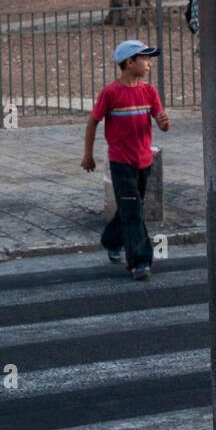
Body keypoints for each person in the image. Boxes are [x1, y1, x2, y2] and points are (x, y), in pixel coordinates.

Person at [81, 39, 170, 281]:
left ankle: (112, 240)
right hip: (121, 162)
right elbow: (93, 122)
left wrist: (165, 123)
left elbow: (161, 122)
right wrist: (88, 155)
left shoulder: (149, 92)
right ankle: (140, 262)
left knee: (131, 207)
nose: (149, 63)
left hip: (144, 161)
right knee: (134, 212)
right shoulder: (110, 93)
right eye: (145, 59)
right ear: (130, 62)